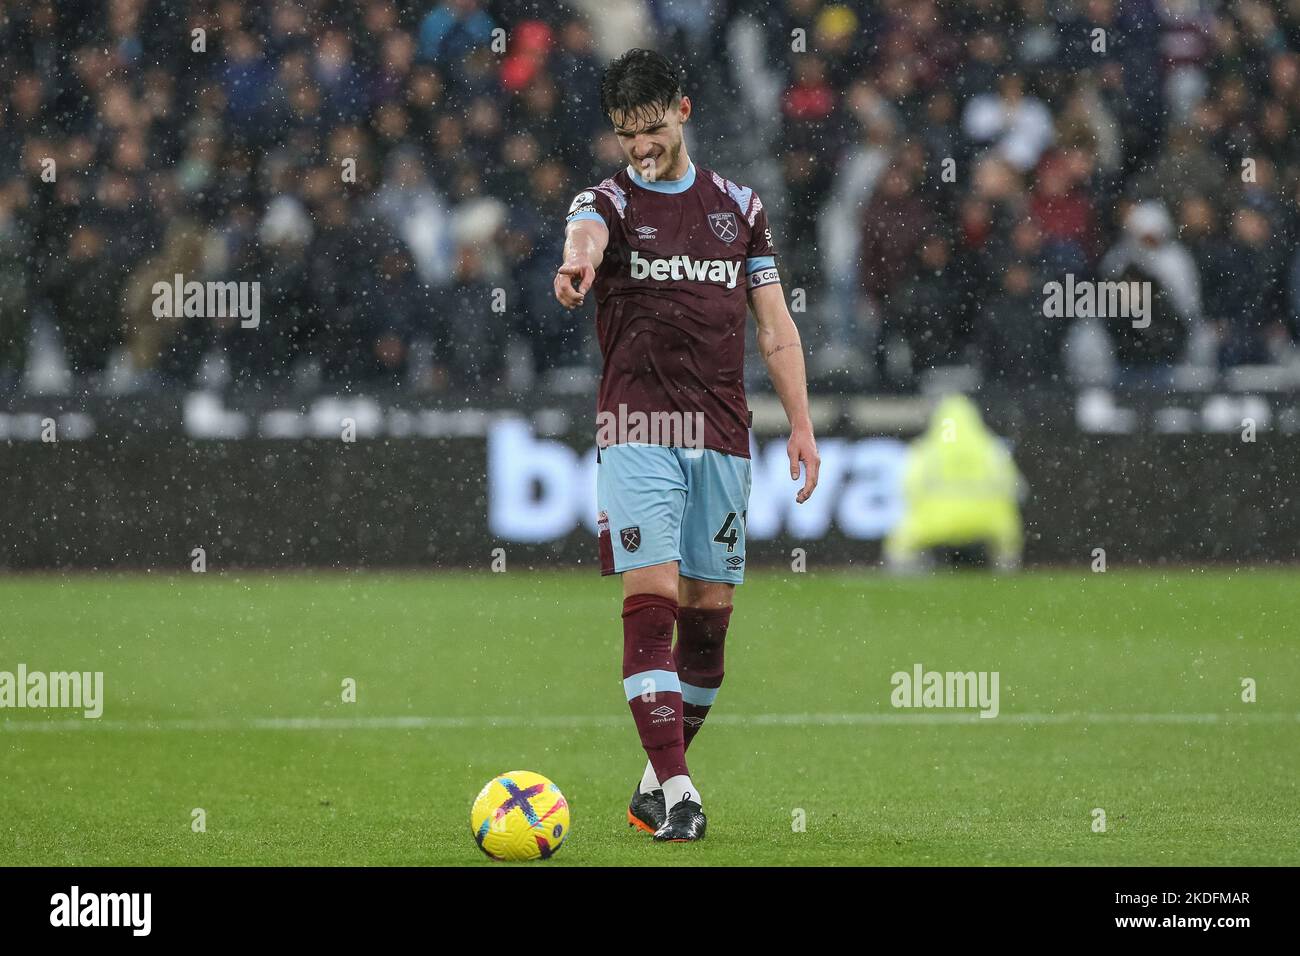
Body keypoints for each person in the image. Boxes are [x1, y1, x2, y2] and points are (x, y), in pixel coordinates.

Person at [553, 49, 819, 842]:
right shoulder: (605, 199)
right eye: (626, 134)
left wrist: (800, 424)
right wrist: (577, 265)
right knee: (655, 603)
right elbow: (585, 236)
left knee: (709, 626)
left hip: (725, 433)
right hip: (639, 427)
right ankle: (680, 790)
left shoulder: (739, 207)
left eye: (653, 129)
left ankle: (650, 784)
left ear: (685, 110)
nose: (641, 147)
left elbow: (774, 328)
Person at [884, 395, 1024, 572]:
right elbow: (1013, 486)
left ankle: (904, 575)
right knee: (1008, 531)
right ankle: (1007, 570)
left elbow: (908, 487)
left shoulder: (927, 450)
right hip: (987, 520)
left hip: (934, 522)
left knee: (900, 542)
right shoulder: (991, 449)